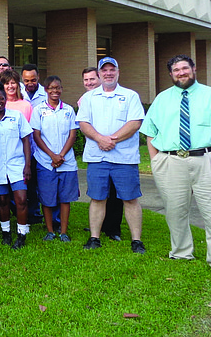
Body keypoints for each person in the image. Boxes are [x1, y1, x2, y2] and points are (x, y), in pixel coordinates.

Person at [140, 55, 211, 273]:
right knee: (175, 212)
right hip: (171, 161)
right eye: (176, 70)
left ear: (193, 69)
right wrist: (156, 160)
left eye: (185, 68)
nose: (181, 73)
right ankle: (181, 252)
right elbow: (149, 132)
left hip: (210, 160)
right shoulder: (162, 99)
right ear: (171, 74)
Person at [76, 57, 146, 254]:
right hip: (98, 158)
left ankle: (136, 241)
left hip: (125, 158)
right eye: (104, 70)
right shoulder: (89, 98)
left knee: (130, 198)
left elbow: (135, 123)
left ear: (118, 72)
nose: (108, 73)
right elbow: (83, 123)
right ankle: (94, 237)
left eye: (111, 69)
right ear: (99, 73)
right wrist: (100, 139)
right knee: (97, 198)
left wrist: (111, 140)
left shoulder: (130, 96)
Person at [0, 68, 33, 233]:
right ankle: (5, 232)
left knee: (21, 200)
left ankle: (22, 232)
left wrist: (27, 165)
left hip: (17, 165)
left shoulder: (17, 116)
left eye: (1, 98)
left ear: (5, 100)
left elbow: (26, 140)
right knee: (2, 201)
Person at [31, 76, 79, 242]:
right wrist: (52, 155)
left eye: (58, 87)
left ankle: (63, 232)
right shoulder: (38, 110)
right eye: (51, 88)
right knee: (47, 198)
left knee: (65, 198)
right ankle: (50, 230)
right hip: (45, 161)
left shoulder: (68, 110)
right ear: (45, 90)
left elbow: (73, 135)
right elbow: (36, 135)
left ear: (61, 89)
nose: (55, 91)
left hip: (67, 162)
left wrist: (61, 155)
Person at [79, 67, 124, 241]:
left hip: (116, 150)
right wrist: (99, 139)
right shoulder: (85, 99)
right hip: (96, 151)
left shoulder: (117, 95)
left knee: (114, 192)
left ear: (99, 78)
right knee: (98, 193)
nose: (89, 83)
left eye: (92, 79)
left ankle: (113, 229)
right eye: (86, 80)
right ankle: (97, 226)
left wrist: (109, 140)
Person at [21, 63, 51, 226]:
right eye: (26, 80)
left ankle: (51, 216)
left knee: (45, 184)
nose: (30, 83)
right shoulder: (19, 94)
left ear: (38, 77)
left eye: (33, 80)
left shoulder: (46, 94)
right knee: (29, 185)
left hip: (43, 147)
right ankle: (33, 215)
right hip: (26, 149)